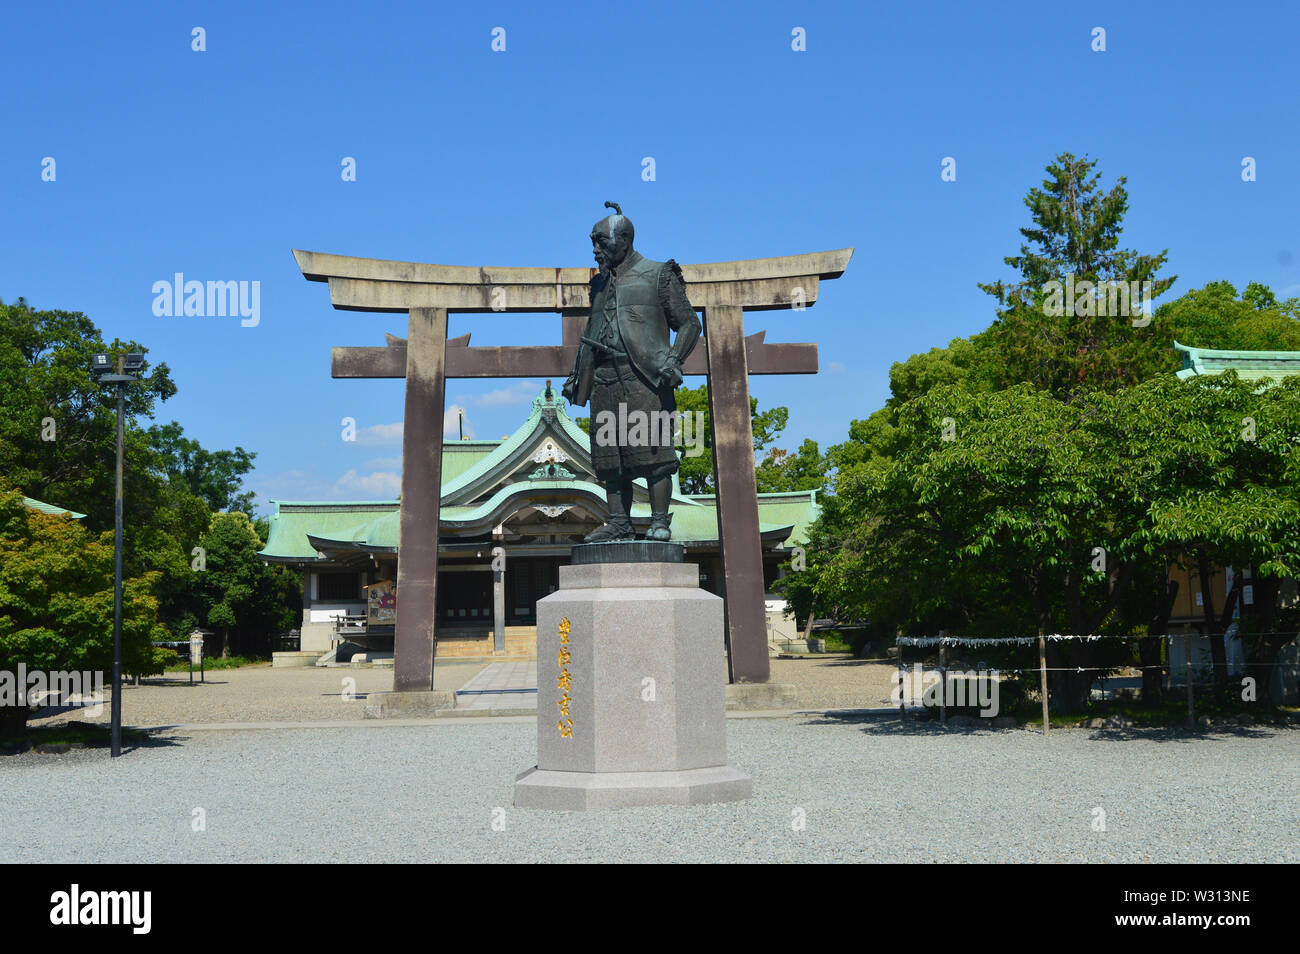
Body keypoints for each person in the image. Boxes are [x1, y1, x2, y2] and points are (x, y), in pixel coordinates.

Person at [562, 202, 701, 542]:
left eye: (601, 242)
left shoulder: (658, 274)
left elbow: (689, 324)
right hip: (605, 377)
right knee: (610, 459)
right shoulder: (599, 284)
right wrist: (579, 373)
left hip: (644, 376)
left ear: (623, 239)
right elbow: (593, 330)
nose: (595, 250)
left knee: (654, 454)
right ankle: (619, 522)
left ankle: (659, 522)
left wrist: (673, 361)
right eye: (592, 242)